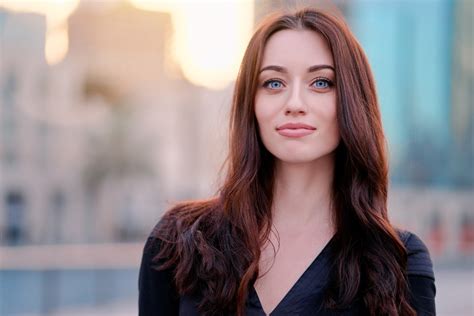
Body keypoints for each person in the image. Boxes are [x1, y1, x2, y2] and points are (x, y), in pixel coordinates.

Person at [139, 7, 436, 316]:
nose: (294, 104)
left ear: (351, 101)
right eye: (274, 83)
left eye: (321, 82)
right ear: (251, 103)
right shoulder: (178, 243)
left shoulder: (397, 262)